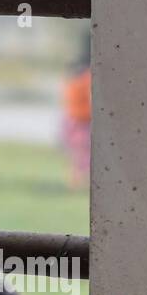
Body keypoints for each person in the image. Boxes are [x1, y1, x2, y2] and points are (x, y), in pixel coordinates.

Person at [59, 40, 91, 191]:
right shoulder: (86, 79)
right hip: (82, 123)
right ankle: (80, 183)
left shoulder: (70, 80)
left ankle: (77, 183)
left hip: (72, 121)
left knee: (78, 156)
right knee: (84, 155)